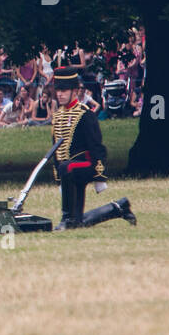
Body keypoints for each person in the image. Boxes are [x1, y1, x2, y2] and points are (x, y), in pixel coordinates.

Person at [50, 67, 136, 230]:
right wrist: (58, 178)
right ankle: (118, 207)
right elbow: (56, 150)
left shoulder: (85, 114)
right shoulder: (57, 116)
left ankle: (66, 218)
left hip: (86, 166)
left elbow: (97, 146)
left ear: (75, 91)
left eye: (64, 90)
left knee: (66, 166)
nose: (59, 94)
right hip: (68, 171)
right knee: (78, 223)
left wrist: (99, 176)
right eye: (58, 90)